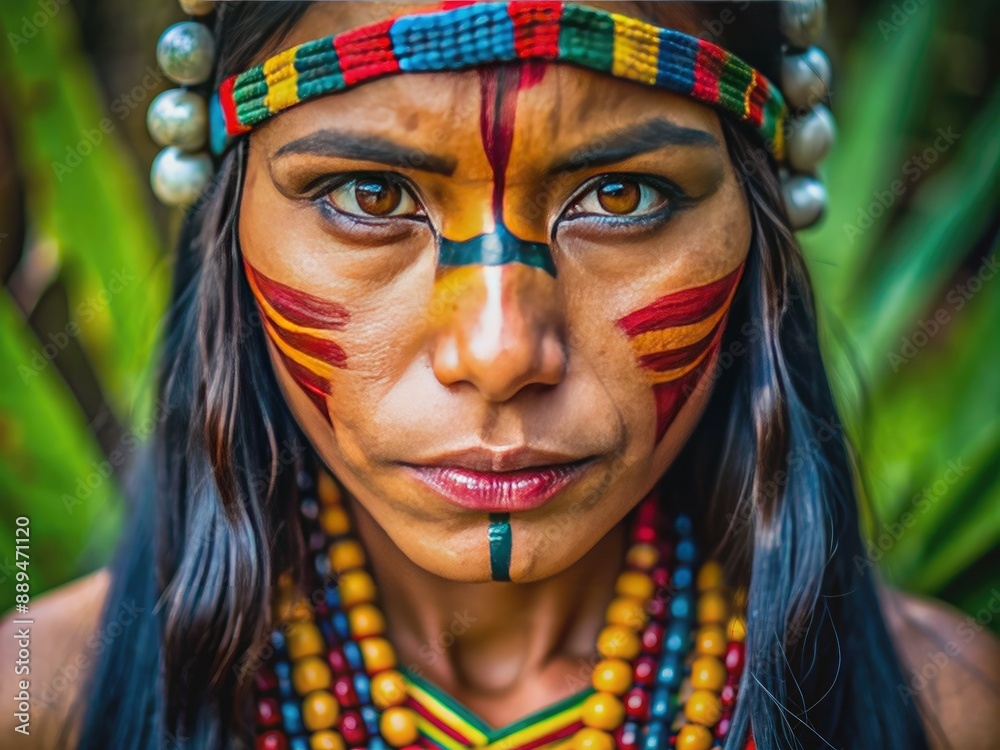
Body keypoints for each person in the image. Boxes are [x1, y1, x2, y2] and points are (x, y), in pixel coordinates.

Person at [2, 2, 997, 749]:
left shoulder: (950, 709)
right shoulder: (33, 698)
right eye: (369, 192)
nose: (498, 351)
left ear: (758, 232)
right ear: (227, 225)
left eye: (622, 194)